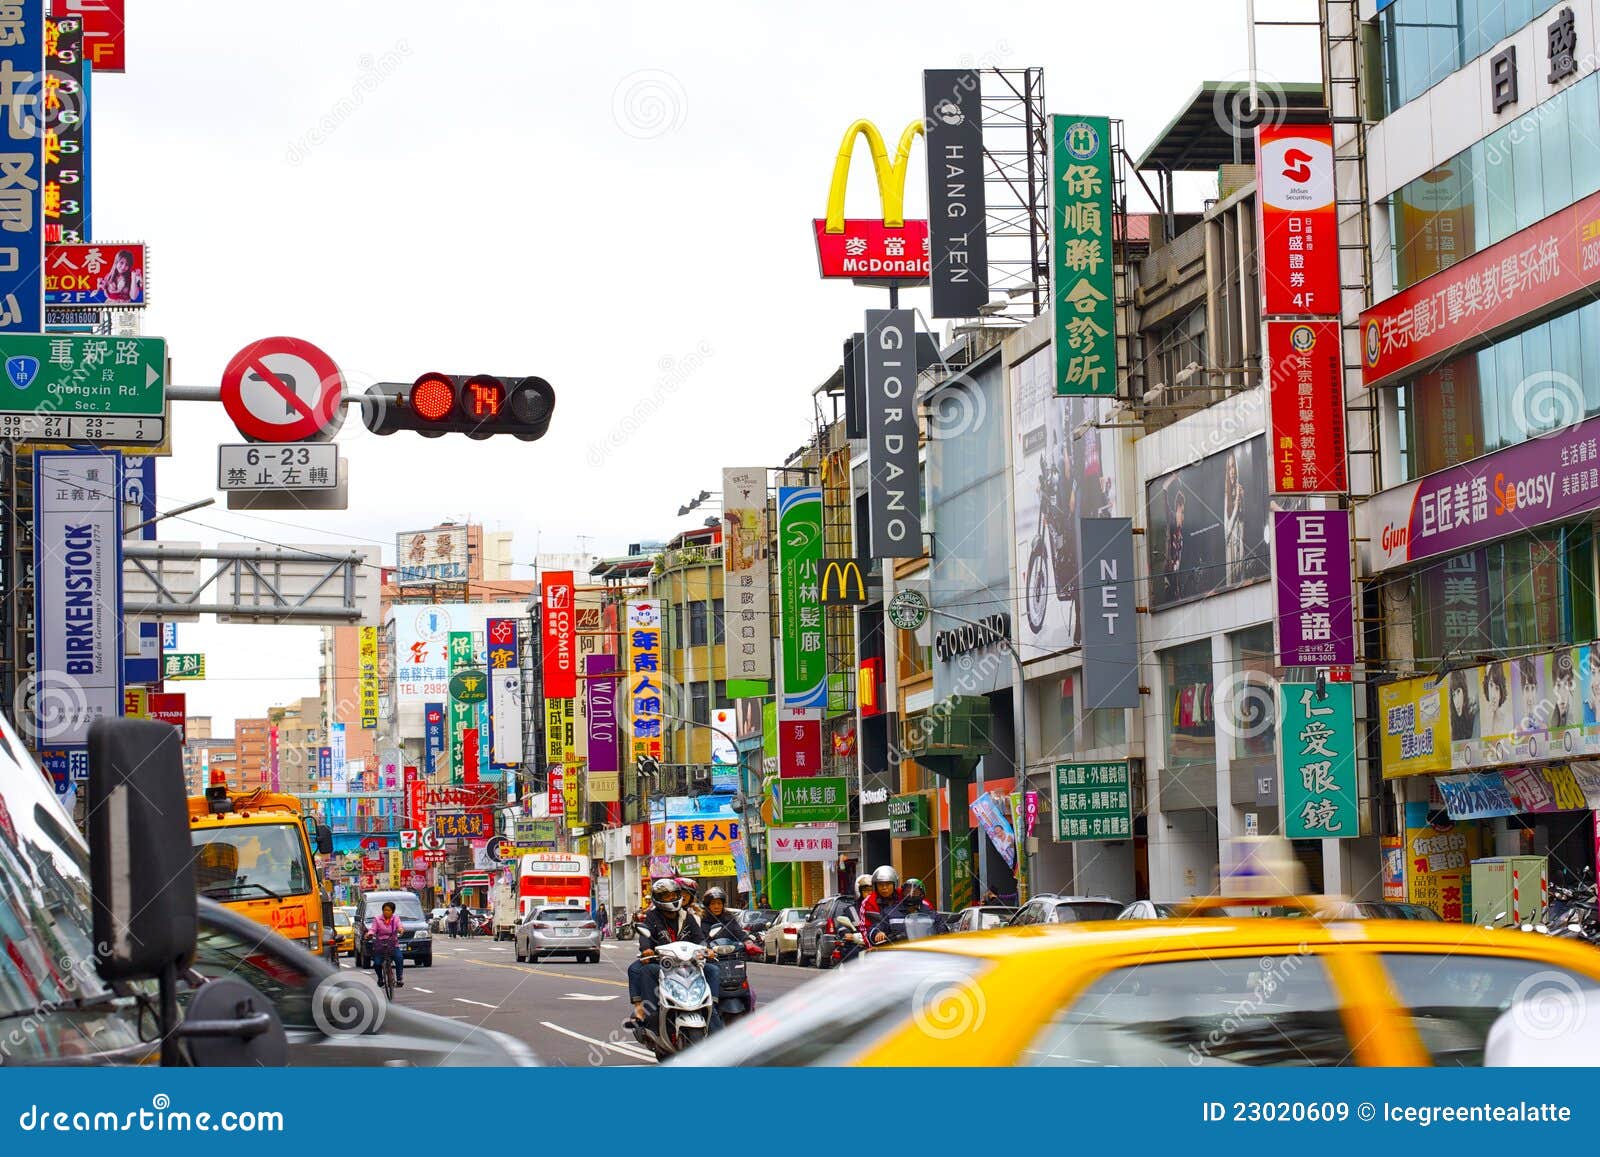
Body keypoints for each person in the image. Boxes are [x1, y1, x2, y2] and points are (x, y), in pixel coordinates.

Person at [626, 878, 722, 1029]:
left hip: (688, 964)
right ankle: (645, 1012)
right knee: (639, 969)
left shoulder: (687, 917)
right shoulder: (652, 916)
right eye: (666, 896)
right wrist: (646, 950)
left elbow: (699, 938)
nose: (671, 898)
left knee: (713, 970)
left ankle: (711, 1006)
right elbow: (645, 935)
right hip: (663, 963)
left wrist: (707, 949)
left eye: (674, 895)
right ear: (658, 898)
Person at [872, 877, 938, 946]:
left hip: (925, 949)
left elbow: (943, 933)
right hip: (899, 950)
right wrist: (877, 933)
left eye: (915, 892)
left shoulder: (931, 914)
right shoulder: (890, 912)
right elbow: (875, 928)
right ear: (902, 893)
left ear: (922, 894)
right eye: (907, 891)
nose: (910, 894)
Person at [368, 901, 404, 988]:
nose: (386, 912)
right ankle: (380, 979)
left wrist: (400, 930)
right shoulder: (377, 919)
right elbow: (373, 929)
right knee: (377, 963)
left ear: (393, 911)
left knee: (399, 958)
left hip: (392, 944)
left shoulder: (395, 918)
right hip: (380, 945)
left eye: (388, 910)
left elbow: (400, 926)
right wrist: (370, 934)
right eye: (384, 910)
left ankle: (399, 978)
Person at [860, 865, 901, 938]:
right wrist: (875, 935)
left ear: (895, 884)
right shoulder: (868, 902)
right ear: (875, 886)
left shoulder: (904, 895)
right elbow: (865, 930)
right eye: (880, 884)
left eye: (888, 884)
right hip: (881, 943)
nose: (884, 888)